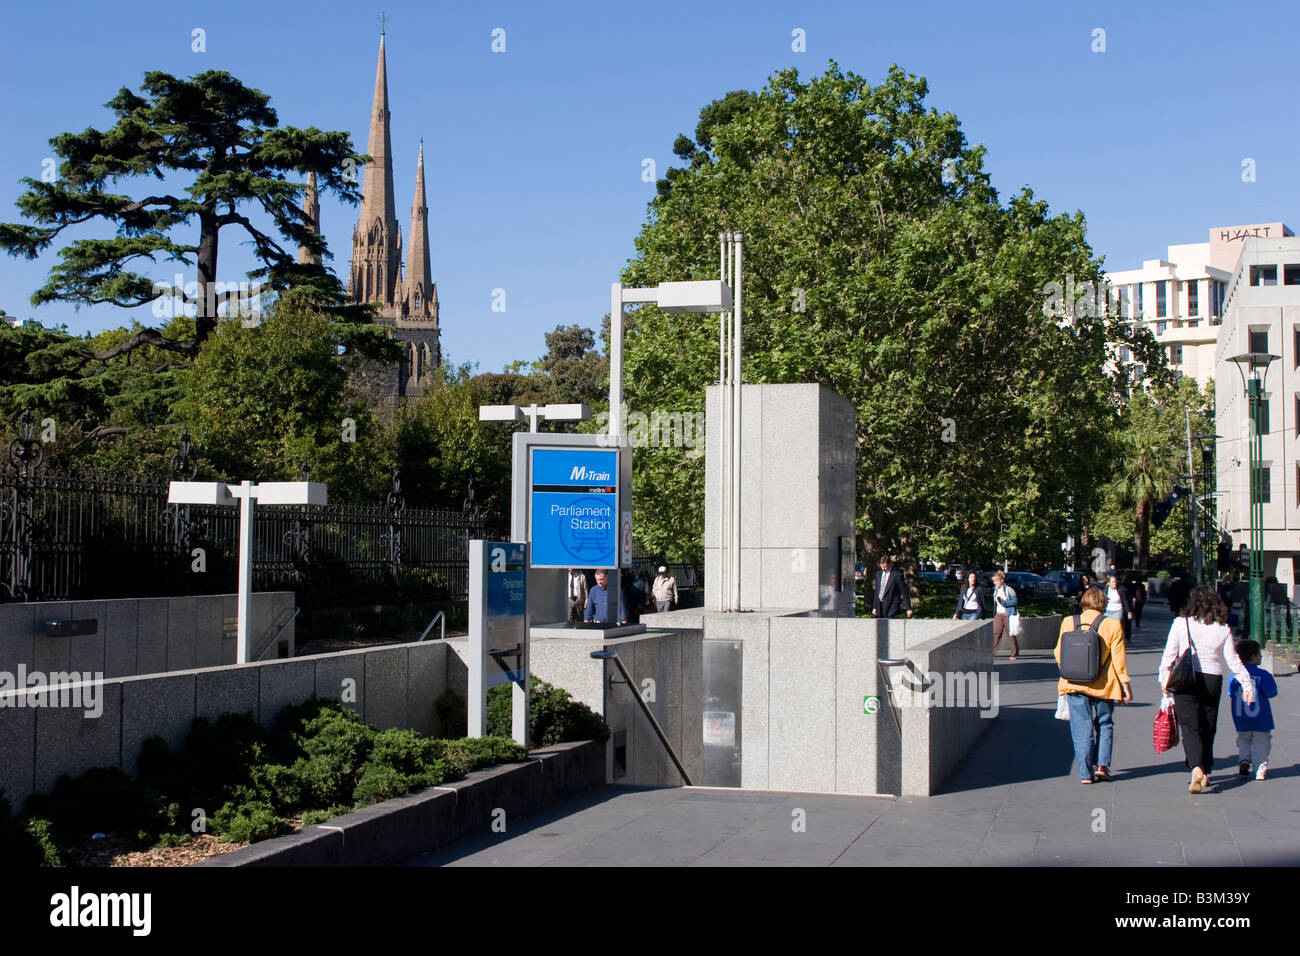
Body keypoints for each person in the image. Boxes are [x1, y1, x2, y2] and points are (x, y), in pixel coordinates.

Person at [1158, 588, 1254, 793]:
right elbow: (1233, 660)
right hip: (1212, 679)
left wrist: (1164, 679)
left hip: (1185, 678)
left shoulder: (1180, 623)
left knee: (1190, 727)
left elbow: (1169, 655)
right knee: (1208, 725)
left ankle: (1196, 769)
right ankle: (1205, 769)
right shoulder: (1223, 628)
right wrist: (1247, 684)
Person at [1055, 586, 1133, 783]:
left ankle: (1084, 773)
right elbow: (1118, 659)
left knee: (1081, 727)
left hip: (1074, 683)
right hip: (1104, 685)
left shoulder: (1069, 622)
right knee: (1105, 723)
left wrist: (1071, 669)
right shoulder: (1112, 624)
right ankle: (1101, 766)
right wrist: (1125, 685)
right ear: (1103, 604)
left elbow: (1058, 653)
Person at [1227, 639, 1278, 780]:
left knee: (1244, 739)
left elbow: (1230, 693)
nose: (1261, 657)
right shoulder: (1263, 675)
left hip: (1240, 715)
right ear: (1253, 656)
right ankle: (1260, 767)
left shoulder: (1234, 675)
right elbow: (1272, 692)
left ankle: (1244, 761)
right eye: (1259, 654)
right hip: (1261, 717)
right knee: (1261, 741)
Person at [991, 571, 1019, 659]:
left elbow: (1015, 601)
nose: (995, 583)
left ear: (1002, 580)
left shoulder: (1009, 590)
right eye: (994, 581)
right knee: (996, 634)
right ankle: (992, 652)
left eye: (996, 581)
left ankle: (1014, 653)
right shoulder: (995, 590)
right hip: (998, 614)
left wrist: (1004, 602)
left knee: (1011, 634)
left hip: (1008, 614)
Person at [1105, 569, 1133, 644]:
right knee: (1108, 627)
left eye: (1116, 581)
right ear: (1109, 583)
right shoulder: (1106, 590)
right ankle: (1109, 640)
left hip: (1118, 611)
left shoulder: (1121, 590)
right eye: (1113, 582)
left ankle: (1118, 640)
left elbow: (1125, 601)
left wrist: (1129, 612)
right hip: (1108, 611)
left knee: (1116, 626)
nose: (1115, 583)